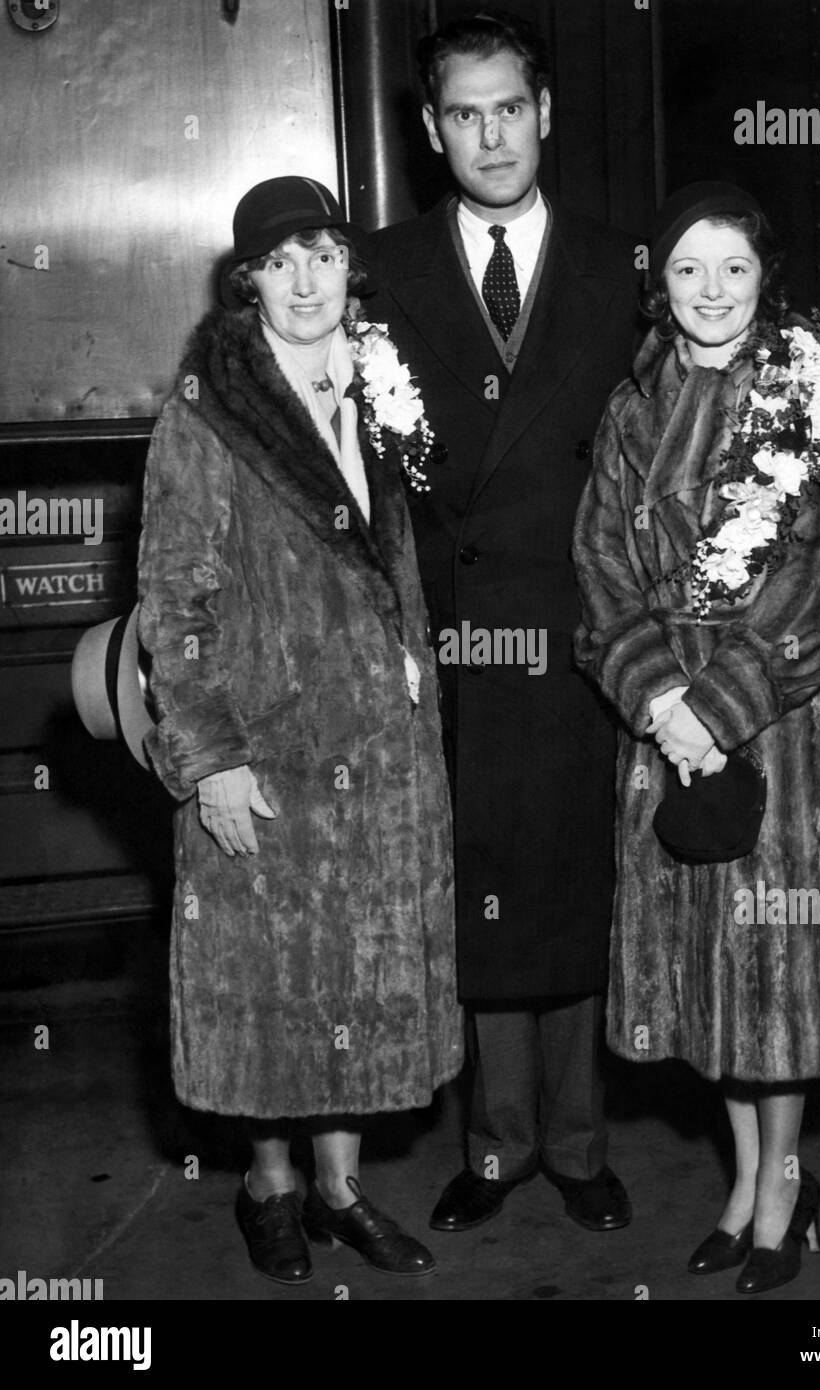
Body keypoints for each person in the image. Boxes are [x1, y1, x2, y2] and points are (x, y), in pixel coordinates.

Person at [137, 175, 462, 1284]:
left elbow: (398, 560)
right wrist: (210, 761)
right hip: (261, 749)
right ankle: (269, 1185)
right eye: (283, 262)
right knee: (264, 986)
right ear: (248, 285)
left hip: (375, 750)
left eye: (325, 254)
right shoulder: (207, 410)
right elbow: (174, 602)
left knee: (356, 981)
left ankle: (340, 1189)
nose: (308, 279)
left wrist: (416, 670)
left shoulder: (376, 384)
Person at [572, 181, 820, 1293]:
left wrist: (719, 706)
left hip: (779, 725)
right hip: (662, 723)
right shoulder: (630, 405)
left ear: (766, 281)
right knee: (708, 969)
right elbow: (600, 565)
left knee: (778, 973)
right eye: (688, 272)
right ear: (659, 286)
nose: (711, 292)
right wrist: (659, 699)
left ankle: (783, 1187)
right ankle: (744, 1181)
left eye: (734, 270)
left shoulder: (808, 393)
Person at [370, 10, 639, 1233]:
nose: (490, 134)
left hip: (580, 629)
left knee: (576, 878)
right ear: (432, 131)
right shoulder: (376, 270)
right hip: (453, 640)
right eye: (463, 114)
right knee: (477, 886)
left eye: (509, 108)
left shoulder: (628, 267)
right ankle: (496, 1146)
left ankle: (579, 1146)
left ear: (545, 115)